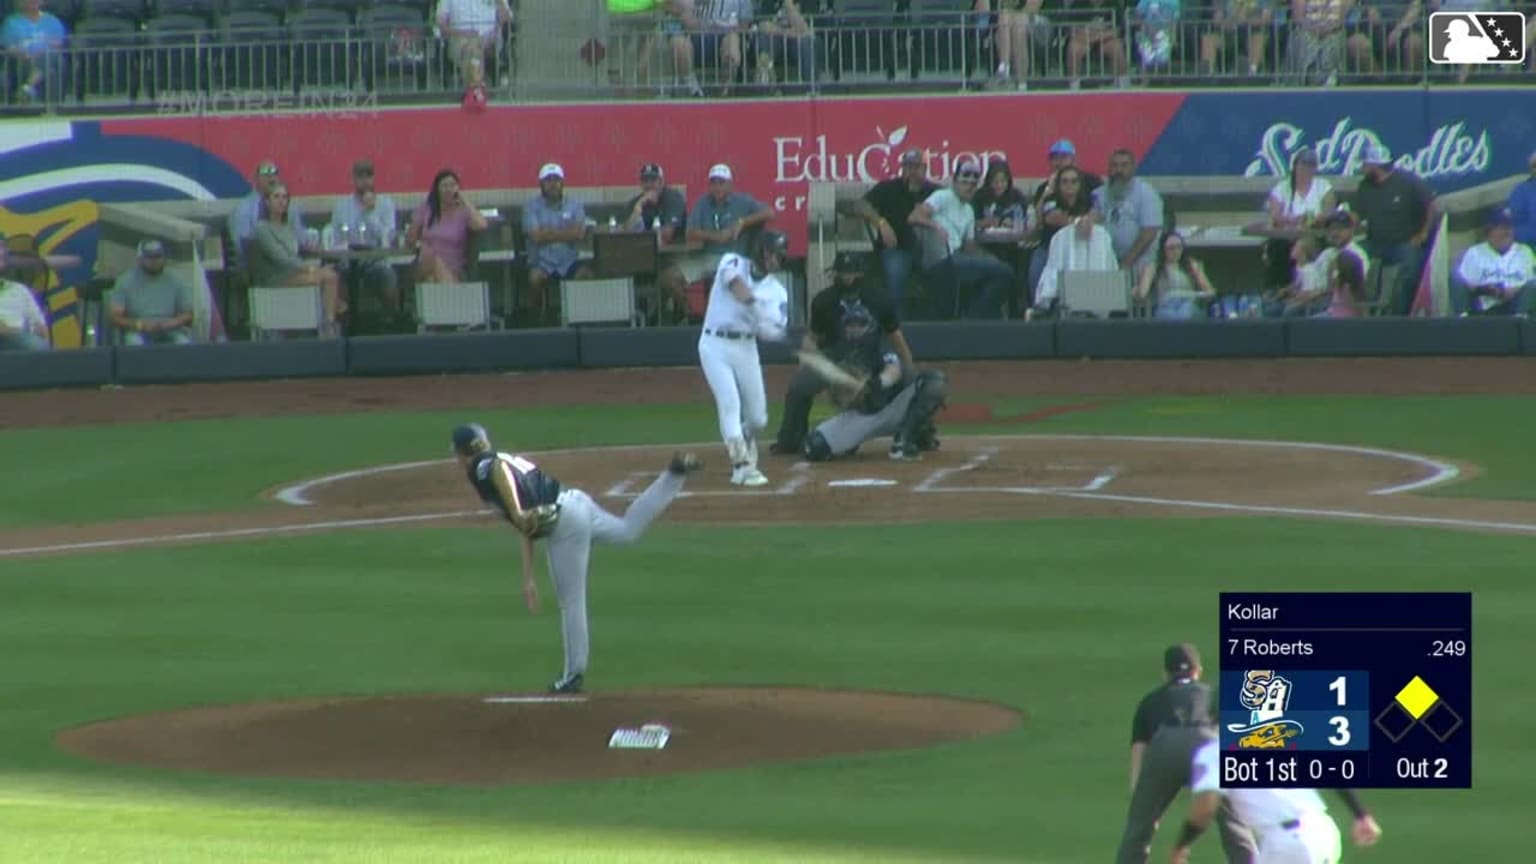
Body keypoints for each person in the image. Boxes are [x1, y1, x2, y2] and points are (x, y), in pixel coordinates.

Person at [451, 422, 701, 694]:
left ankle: (574, 675)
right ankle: (674, 476)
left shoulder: (482, 467)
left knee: (571, 601)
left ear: (462, 453)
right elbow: (524, 526)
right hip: (575, 504)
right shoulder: (497, 460)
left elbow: (504, 484)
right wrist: (528, 577)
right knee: (627, 531)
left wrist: (517, 510)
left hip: (564, 523)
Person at [1115, 643, 1258, 864]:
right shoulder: (1210, 694)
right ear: (1197, 671)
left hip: (1165, 747)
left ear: (1165, 673)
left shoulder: (1150, 701)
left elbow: (1139, 750)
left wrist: (1140, 797)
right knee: (1234, 827)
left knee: (1139, 828)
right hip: (1206, 742)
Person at [769, 251, 917, 455]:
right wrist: (805, 366)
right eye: (843, 273)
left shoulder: (879, 298)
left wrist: (908, 364)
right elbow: (813, 337)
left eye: (851, 273)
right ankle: (789, 440)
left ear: (861, 274)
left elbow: (895, 335)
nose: (847, 278)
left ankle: (918, 434)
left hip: (870, 357)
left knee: (914, 383)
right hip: (834, 358)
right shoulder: (823, 301)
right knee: (799, 386)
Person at [1171, 736, 1382, 863]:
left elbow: (1204, 809)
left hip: (1287, 844)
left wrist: (1182, 844)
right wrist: (1361, 815)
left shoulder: (1215, 751)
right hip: (1324, 831)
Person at [697, 230, 791, 487]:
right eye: (774, 254)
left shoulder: (778, 292)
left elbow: (774, 328)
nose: (778, 260)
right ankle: (741, 465)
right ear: (762, 251)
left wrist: (768, 328)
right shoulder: (732, 261)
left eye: (781, 256)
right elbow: (736, 286)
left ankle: (742, 436)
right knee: (729, 402)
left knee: (759, 418)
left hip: (746, 348)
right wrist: (754, 306)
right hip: (714, 344)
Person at [800, 309, 949, 462]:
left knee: (934, 382)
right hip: (864, 417)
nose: (855, 329)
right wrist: (847, 397)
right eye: (851, 324)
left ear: (870, 326)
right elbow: (833, 393)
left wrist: (875, 384)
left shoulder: (878, 344)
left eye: (860, 324)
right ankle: (851, 440)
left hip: (893, 408)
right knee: (815, 446)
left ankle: (905, 440)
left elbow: (894, 371)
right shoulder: (839, 349)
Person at [247, 181, 344, 336]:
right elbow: (282, 258)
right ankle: (330, 318)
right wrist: (312, 269)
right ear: (267, 201)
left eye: (285, 197)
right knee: (322, 278)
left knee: (331, 276)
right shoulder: (261, 228)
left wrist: (312, 249)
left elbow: (296, 250)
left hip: (293, 274)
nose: (281, 201)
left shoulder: (288, 226)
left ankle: (329, 325)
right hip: (275, 279)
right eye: (276, 197)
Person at [850, 148, 938, 314]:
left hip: (929, 251)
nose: (911, 171)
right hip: (897, 249)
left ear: (925, 169)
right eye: (907, 167)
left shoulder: (935, 192)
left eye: (916, 167)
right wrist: (881, 223)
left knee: (946, 270)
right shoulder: (888, 188)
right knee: (895, 274)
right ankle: (895, 325)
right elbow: (859, 205)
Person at [409, 168, 489, 285]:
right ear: (437, 189)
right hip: (424, 263)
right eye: (444, 186)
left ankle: (446, 296)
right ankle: (455, 298)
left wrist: (465, 202)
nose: (449, 189)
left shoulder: (463, 211)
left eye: (452, 185)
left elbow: (481, 226)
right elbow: (411, 238)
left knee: (430, 280)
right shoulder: (426, 208)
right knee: (431, 257)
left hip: (454, 267)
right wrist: (418, 243)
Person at [110, 240, 196, 345]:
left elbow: (189, 313)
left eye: (158, 256)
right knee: (134, 342)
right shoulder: (125, 281)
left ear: (164, 258)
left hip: (170, 329)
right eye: (149, 257)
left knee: (183, 342)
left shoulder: (176, 279)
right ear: (140, 259)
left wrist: (171, 323)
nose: (154, 261)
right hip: (138, 330)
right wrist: (139, 325)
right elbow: (115, 317)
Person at [1135, 231, 1216, 319]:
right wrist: (1138, 292)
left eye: (1179, 247)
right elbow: (1142, 293)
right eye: (1171, 248)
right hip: (1166, 306)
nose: (1176, 251)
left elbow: (1208, 290)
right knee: (1169, 315)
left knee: (1185, 312)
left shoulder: (1191, 265)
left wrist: (1205, 294)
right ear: (1163, 249)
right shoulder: (1154, 267)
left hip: (1188, 303)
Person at [0, 239, 49, 351]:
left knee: (41, 348)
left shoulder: (19, 289)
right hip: (16, 339)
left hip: (21, 342)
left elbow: (39, 323)